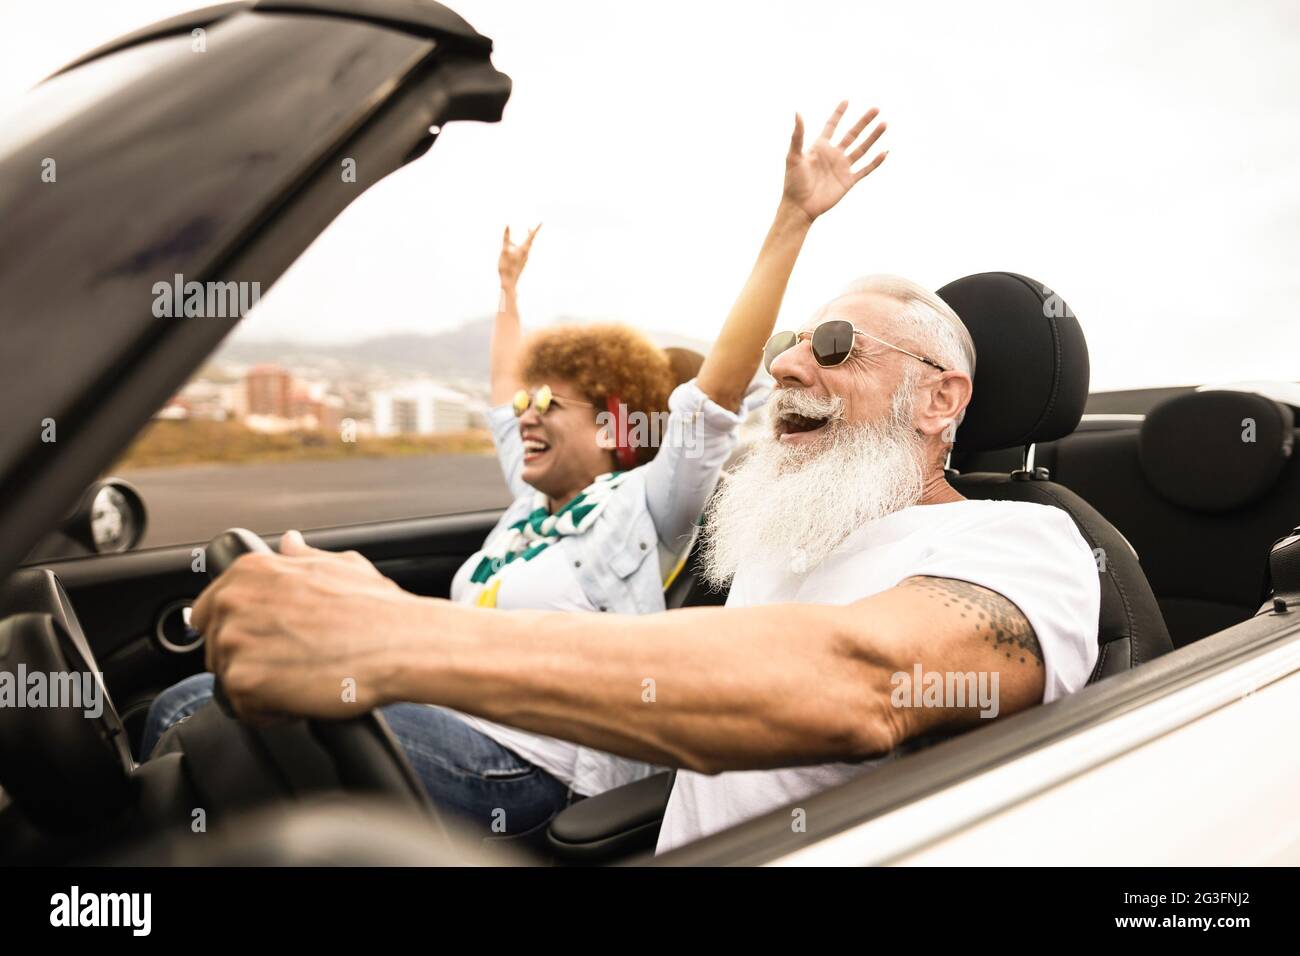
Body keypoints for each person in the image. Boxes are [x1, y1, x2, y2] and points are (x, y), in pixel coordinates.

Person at [145, 102, 895, 841]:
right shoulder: (528, 503)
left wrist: (792, 218)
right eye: (528, 404)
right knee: (210, 712)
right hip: (447, 707)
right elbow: (504, 395)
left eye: (551, 404)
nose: (526, 416)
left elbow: (713, 398)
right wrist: (508, 296)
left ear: (611, 423)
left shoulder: (644, 506)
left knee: (195, 718)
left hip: (535, 760)